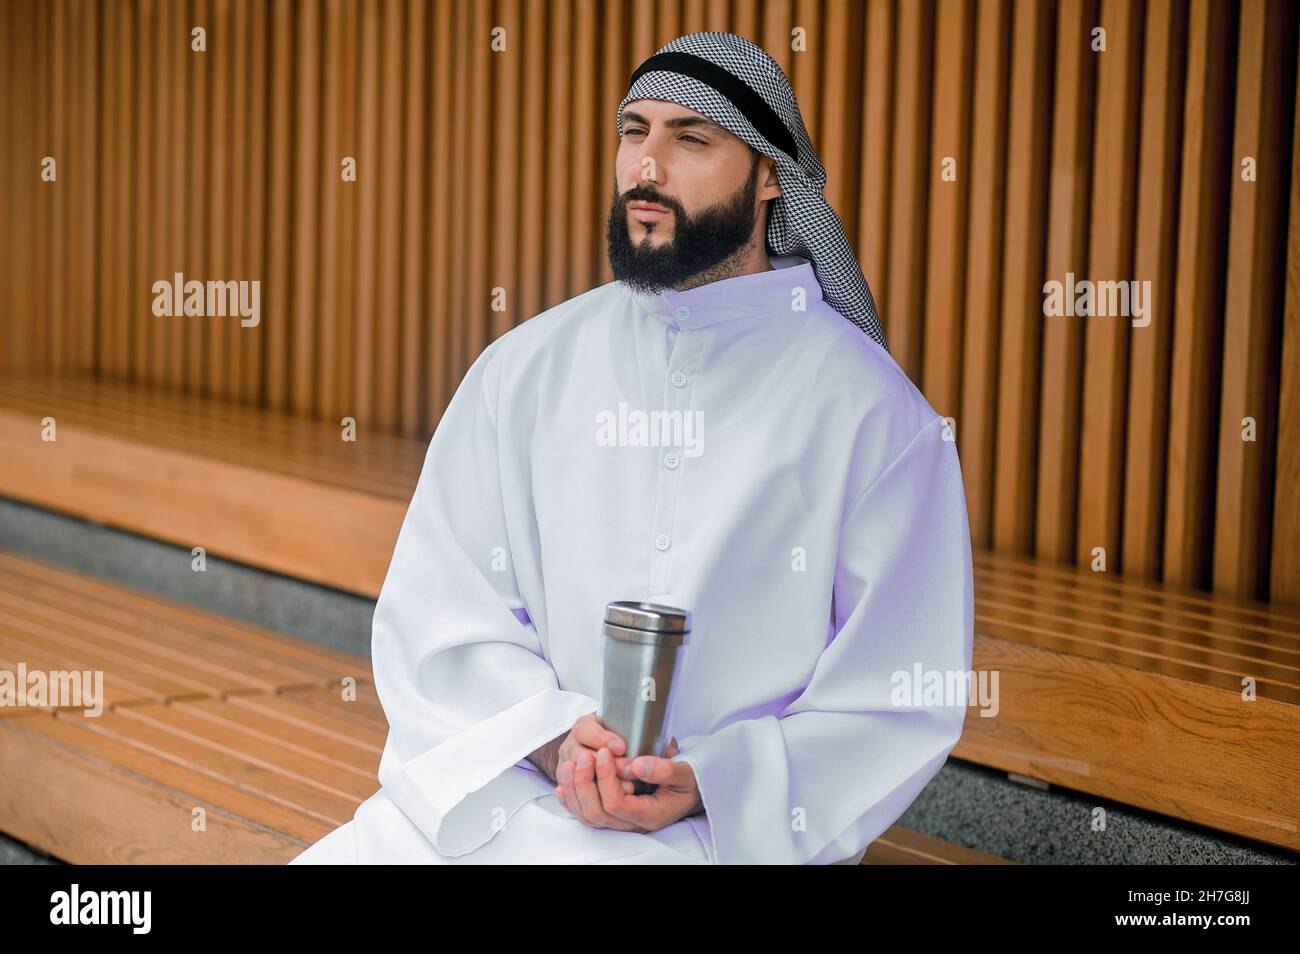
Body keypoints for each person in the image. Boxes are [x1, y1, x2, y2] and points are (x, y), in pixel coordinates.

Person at [291, 30, 973, 865]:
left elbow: (895, 694)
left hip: (710, 843)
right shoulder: (527, 369)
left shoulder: (873, 416)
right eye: (633, 131)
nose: (647, 165)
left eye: (691, 139)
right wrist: (552, 739)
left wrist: (714, 783)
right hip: (493, 800)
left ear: (768, 177)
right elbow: (444, 604)